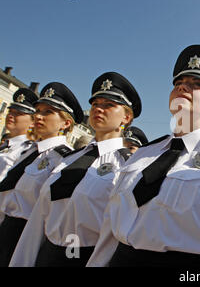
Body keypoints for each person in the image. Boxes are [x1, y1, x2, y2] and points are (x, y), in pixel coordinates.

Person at [87, 44, 200, 267]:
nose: (183, 88)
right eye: (179, 84)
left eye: (196, 85)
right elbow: (111, 223)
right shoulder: (143, 154)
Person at [10, 72, 140, 267]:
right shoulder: (69, 159)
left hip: (82, 258)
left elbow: (114, 234)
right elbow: (38, 220)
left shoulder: (127, 166)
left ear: (126, 117)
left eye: (108, 105)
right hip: (46, 253)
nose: (98, 109)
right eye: (96, 104)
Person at [0, 83, 83, 266]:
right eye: (38, 110)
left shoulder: (64, 159)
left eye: (47, 112)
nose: (38, 116)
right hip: (5, 227)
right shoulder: (29, 152)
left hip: (26, 235)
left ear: (66, 123)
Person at [0, 89, 37, 226]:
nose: (11, 115)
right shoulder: (5, 145)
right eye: (11, 111)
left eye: (19, 114)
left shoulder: (27, 151)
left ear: (32, 122)